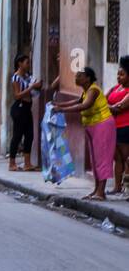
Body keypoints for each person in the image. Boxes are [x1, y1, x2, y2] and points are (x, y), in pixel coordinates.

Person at [54, 67, 116, 201]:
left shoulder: (93, 90)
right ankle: (96, 190)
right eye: (76, 76)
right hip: (93, 126)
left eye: (80, 76)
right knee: (95, 160)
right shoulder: (86, 91)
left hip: (103, 124)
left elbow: (84, 105)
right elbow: (77, 102)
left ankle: (101, 192)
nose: (76, 78)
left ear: (88, 78)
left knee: (102, 158)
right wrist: (59, 105)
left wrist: (61, 109)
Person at [7, 54, 43, 172]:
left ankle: (27, 163)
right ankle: (12, 162)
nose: (28, 65)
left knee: (29, 135)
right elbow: (17, 95)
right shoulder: (16, 78)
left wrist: (37, 85)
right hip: (19, 107)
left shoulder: (28, 76)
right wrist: (31, 87)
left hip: (27, 107)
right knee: (17, 135)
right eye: (26, 62)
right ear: (20, 63)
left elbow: (34, 88)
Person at [106, 55, 129, 195]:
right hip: (113, 127)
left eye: (122, 74)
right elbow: (103, 98)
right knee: (117, 158)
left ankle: (126, 187)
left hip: (125, 127)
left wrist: (104, 106)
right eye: (118, 74)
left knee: (126, 158)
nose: (118, 77)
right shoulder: (116, 87)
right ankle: (117, 186)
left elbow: (119, 107)